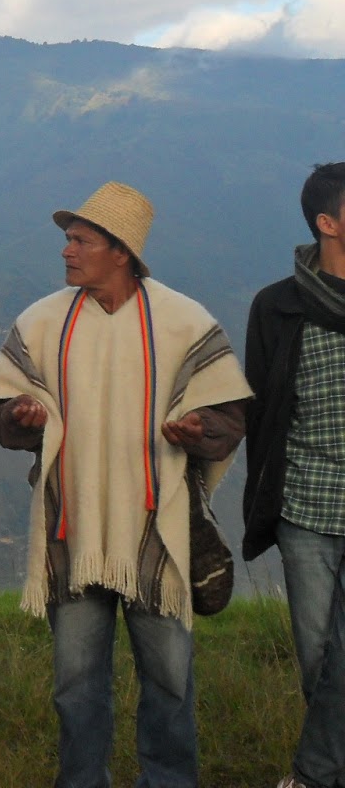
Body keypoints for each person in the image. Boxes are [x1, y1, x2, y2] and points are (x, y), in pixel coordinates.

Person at [0, 182, 250, 787]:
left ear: (121, 251)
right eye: (69, 239)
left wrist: (197, 428)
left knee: (169, 679)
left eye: (81, 240)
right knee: (75, 684)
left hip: (157, 532)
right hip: (72, 530)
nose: (67, 250)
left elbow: (229, 417)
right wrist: (22, 417)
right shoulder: (41, 321)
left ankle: (169, 781)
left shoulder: (185, 322)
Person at [243, 162, 345, 788]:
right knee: (317, 658)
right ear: (327, 223)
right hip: (306, 505)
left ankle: (311, 775)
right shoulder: (278, 306)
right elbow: (260, 409)